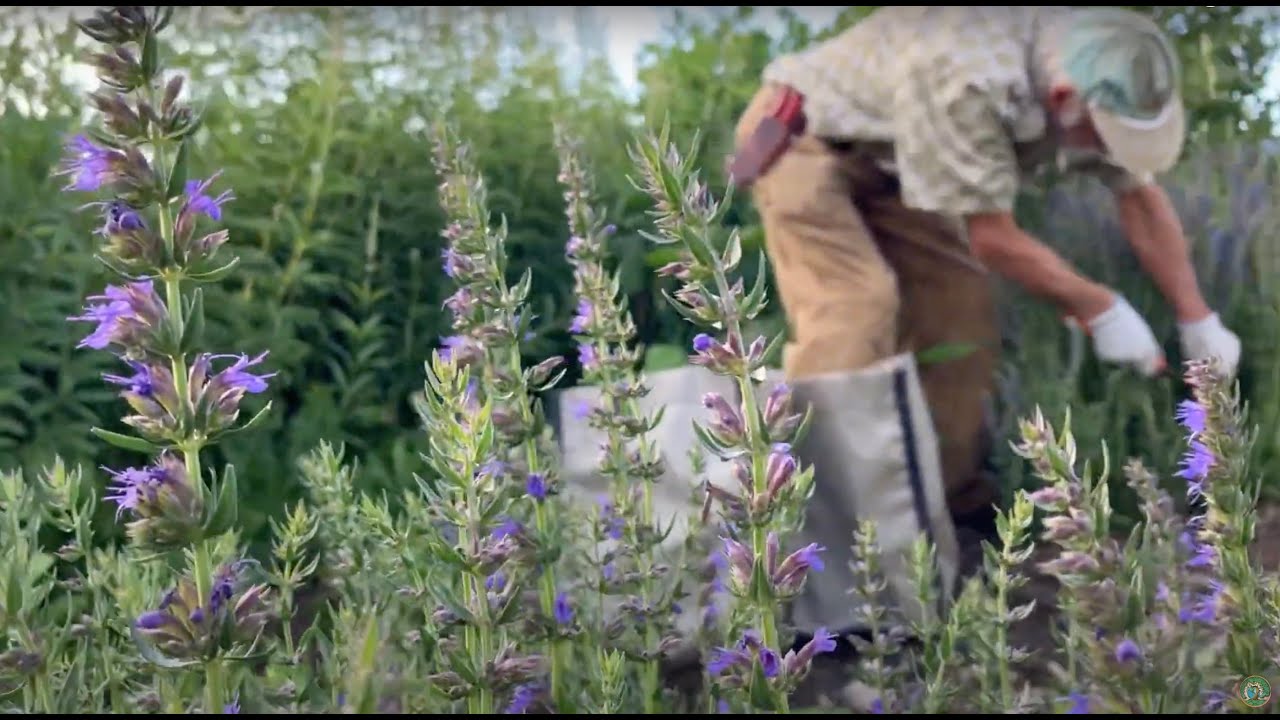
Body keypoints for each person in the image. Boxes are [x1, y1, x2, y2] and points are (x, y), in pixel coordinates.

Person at [726, 6, 1242, 643]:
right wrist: (1098, 305)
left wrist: (1199, 321)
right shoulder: (968, 76)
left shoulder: (1095, 57)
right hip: (805, 136)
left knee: (963, 312)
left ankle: (943, 511)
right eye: (1097, 138)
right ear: (1063, 99)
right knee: (857, 309)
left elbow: (1139, 197)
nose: (1100, 156)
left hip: (898, 155)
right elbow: (994, 237)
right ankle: (830, 561)